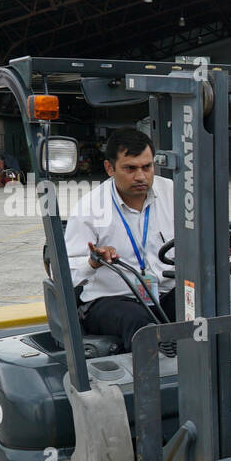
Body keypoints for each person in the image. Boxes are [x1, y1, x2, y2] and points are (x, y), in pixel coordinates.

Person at [65, 129, 176, 349]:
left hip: (164, 292)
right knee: (139, 323)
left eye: (147, 167)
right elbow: (67, 272)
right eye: (130, 169)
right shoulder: (88, 209)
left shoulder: (174, 193)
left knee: (208, 302)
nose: (141, 176)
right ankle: (157, 380)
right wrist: (93, 262)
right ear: (109, 168)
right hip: (112, 299)